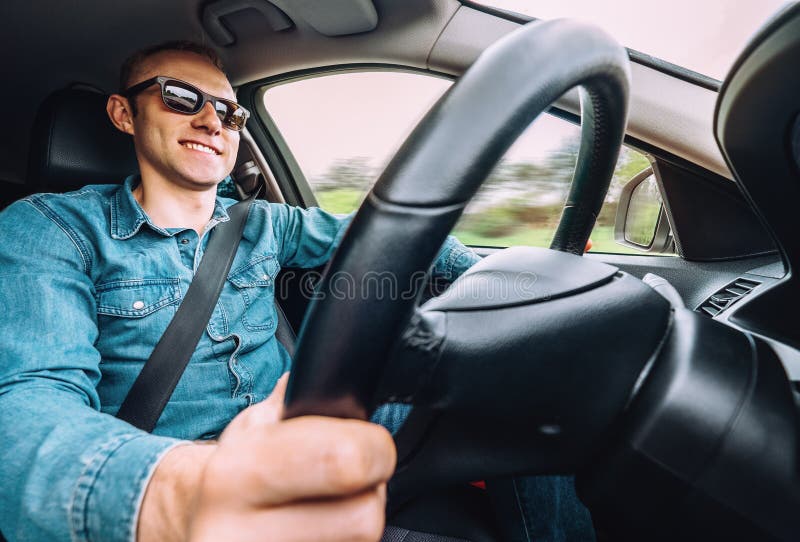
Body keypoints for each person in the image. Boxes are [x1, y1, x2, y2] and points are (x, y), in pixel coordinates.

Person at [0, 41, 480, 542]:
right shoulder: (51, 228)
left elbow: (388, 236)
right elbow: (27, 407)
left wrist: (490, 281)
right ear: (124, 114)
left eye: (230, 113)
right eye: (181, 97)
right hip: (180, 480)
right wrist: (185, 495)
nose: (212, 122)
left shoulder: (266, 224)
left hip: (305, 430)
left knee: (535, 371)